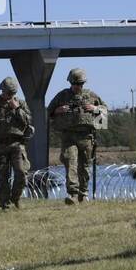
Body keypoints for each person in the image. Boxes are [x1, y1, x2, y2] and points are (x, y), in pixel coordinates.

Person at [47, 68, 106, 204]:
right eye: (74, 84)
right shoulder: (62, 96)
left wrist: (95, 109)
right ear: (70, 82)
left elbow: (104, 113)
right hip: (68, 136)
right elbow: (49, 112)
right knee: (70, 162)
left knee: (84, 166)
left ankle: (83, 193)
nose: (77, 86)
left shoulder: (91, 96)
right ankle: (72, 194)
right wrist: (58, 110)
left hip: (86, 137)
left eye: (79, 84)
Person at [0, 77, 34, 210]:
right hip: (0, 144)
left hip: (17, 143)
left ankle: (16, 197)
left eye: (12, 93)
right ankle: (5, 204)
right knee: (3, 175)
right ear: (2, 91)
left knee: (21, 172)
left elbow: (28, 121)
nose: (10, 96)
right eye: (8, 93)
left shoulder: (20, 103)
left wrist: (17, 109)